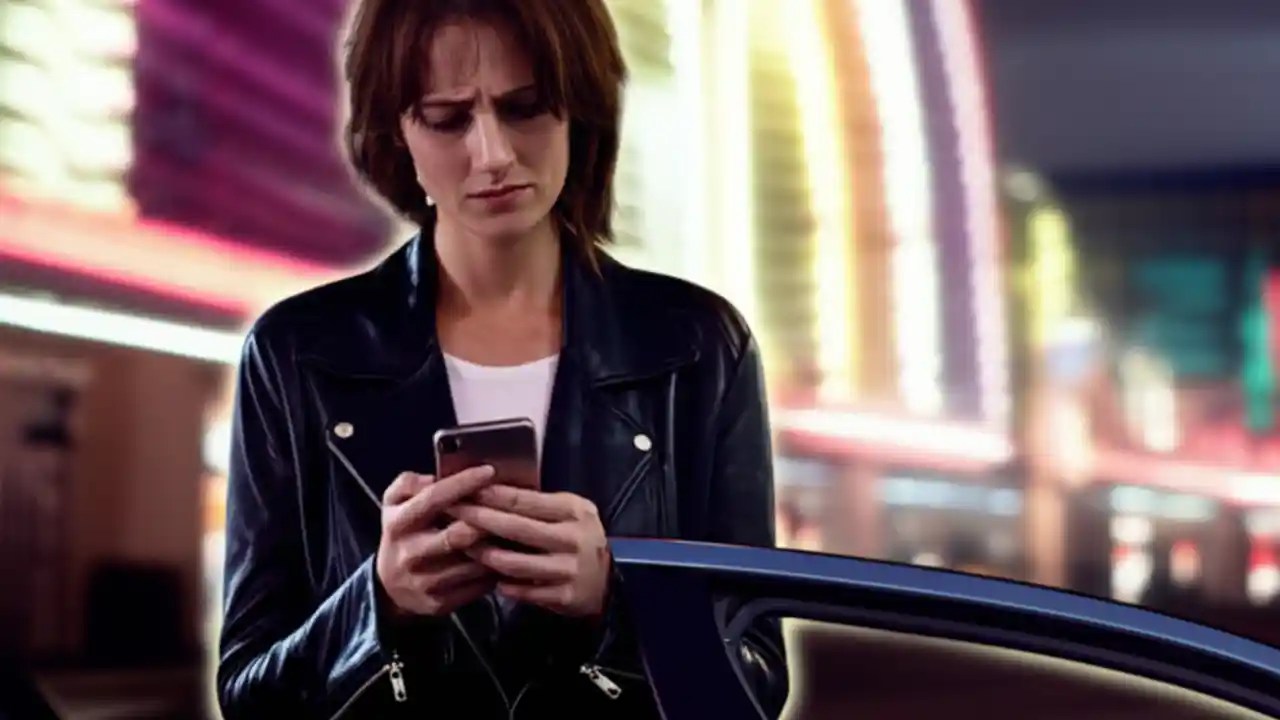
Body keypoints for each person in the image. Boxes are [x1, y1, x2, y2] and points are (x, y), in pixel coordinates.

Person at [215, 0, 789, 718]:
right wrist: (380, 601)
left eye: (526, 108)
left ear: (579, 108)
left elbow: (755, 684)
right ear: (397, 130)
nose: (492, 154)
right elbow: (248, 695)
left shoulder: (698, 346)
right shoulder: (296, 352)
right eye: (448, 118)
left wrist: (612, 602)